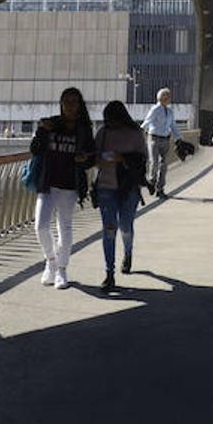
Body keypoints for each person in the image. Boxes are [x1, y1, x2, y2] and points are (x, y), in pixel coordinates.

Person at [31, 87, 95, 289]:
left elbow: (91, 155)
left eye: (74, 102)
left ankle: (62, 269)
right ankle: (50, 261)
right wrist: (42, 130)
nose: (69, 105)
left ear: (79, 105)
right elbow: (35, 150)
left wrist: (84, 158)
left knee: (64, 227)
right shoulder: (51, 123)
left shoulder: (84, 128)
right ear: (60, 103)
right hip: (48, 182)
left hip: (70, 184)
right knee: (40, 225)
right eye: (66, 101)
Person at [94, 100, 148, 293]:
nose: (110, 123)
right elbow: (95, 157)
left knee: (125, 225)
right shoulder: (103, 133)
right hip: (106, 187)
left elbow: (142, 162)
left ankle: (128, 252)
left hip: (129, 188)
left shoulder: (136, 134)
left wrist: (123, 159)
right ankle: (109, 272)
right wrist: (99, 158)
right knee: (109, 228)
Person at [140, 87, 182, 198]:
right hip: (154, 138)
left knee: (164, 165)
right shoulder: (155, 109)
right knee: (154, 163)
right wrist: (140, 131)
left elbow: (173, 125)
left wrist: (179, 137)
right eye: (168, 96)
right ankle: (151, 182)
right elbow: (147, 121)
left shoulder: (170, 111)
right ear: (163, 98)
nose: (169, 98)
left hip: (165, 139)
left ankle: (160, 188)